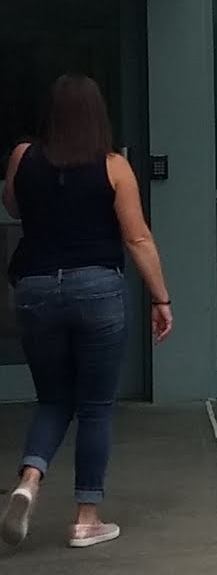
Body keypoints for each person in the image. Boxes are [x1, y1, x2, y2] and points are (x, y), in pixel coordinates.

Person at [0, 75, 173, 550]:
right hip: (97, 288)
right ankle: (86, 519)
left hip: (35, 289)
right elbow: (137, 238)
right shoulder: (114, 166)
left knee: (54, 399)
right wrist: (161, 297)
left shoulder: (22, 156)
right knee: (95, 406)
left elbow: (13, 206)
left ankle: (29, 481)